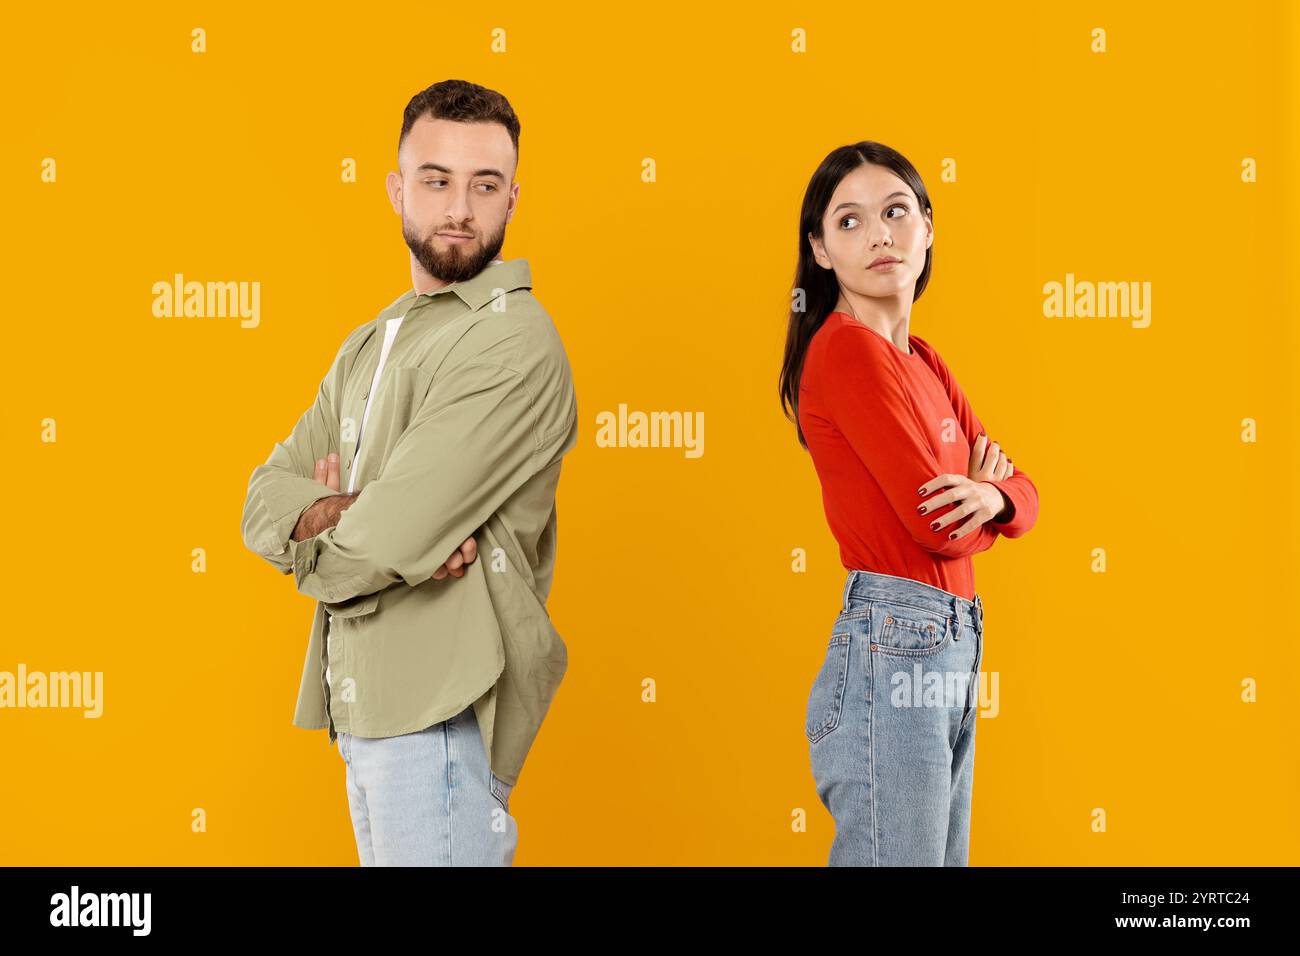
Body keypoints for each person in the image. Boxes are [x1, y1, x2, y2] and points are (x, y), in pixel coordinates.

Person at [240, 79, 578, 866]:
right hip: (361, 709)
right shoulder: (371, 341)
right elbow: (262, 499)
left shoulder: (514, 342)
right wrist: (349, 512)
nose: (460, 206)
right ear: (397, 189)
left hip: (441, 717)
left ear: (512, 199)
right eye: (437, 180)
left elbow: (388, 535)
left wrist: (327, 520)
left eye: (484, 185)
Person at [778, 141, 1039, 866]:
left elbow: (1025, 491)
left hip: (950, 642)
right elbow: (936, 526)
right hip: (895, 641)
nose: (880, 235)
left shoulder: (924, 362)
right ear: (822, 251)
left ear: (927, 225)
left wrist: (990, 495)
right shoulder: (845, 352)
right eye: (850, 222)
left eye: (896, 212)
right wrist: (985, 505)